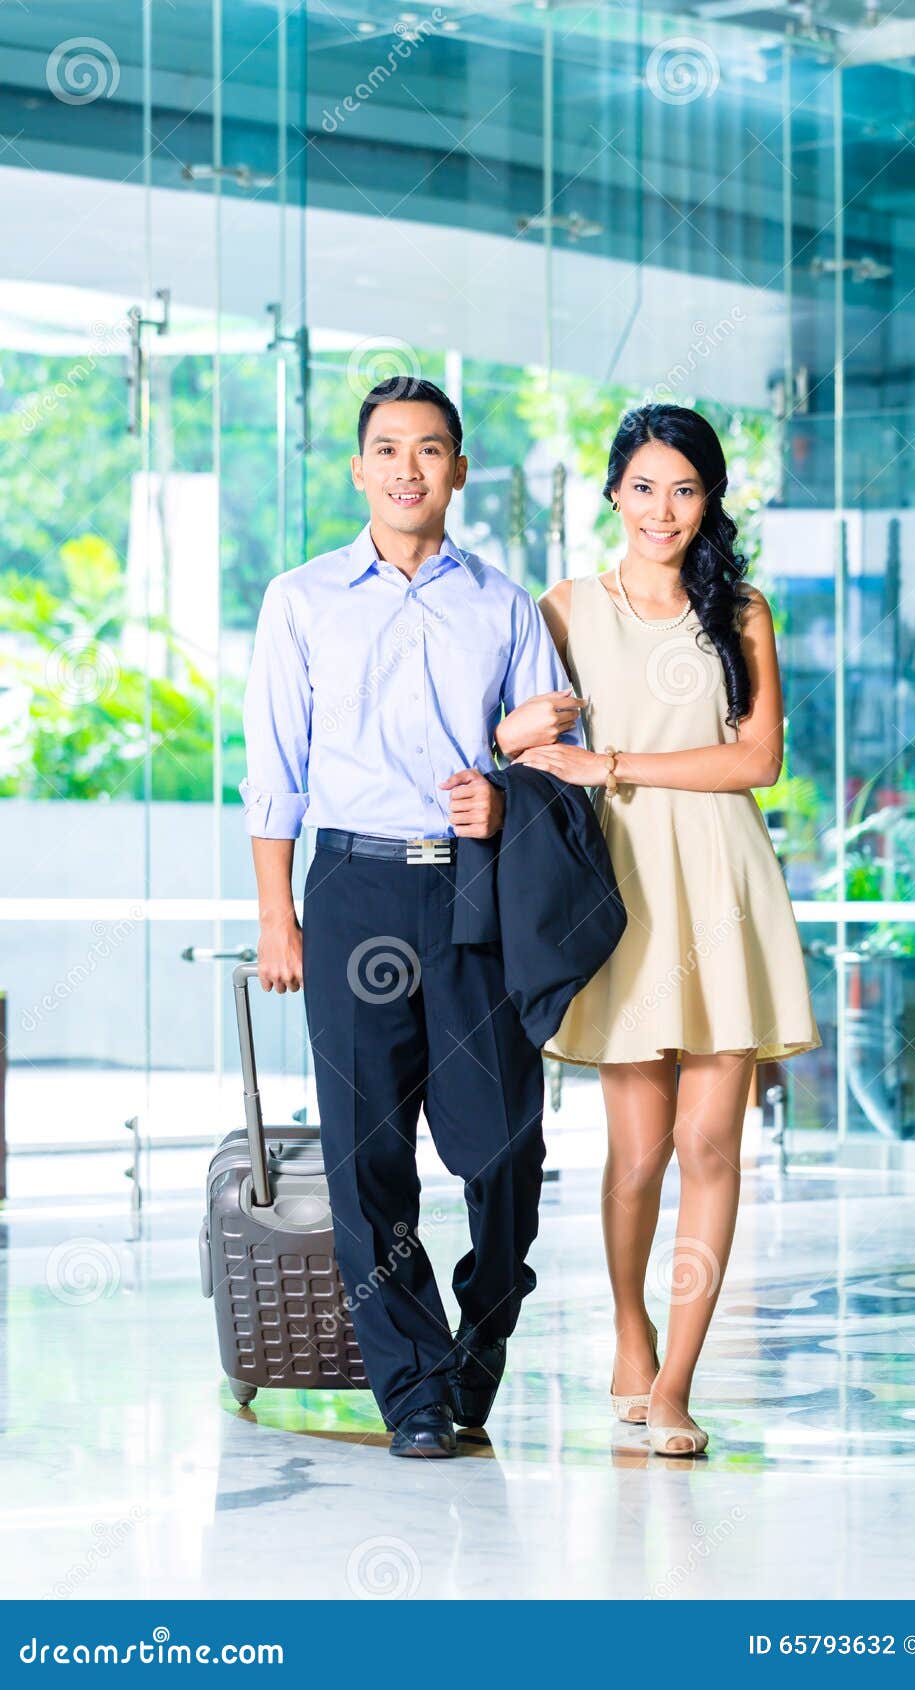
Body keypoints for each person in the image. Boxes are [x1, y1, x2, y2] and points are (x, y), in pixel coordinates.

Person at [239, 377, 583, 1458]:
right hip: (353, 889)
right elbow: (273, 770)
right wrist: (276, 918)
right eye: (385, 449)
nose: (405, 468)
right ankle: (414, 1391)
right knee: (366, 1152)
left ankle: (475, 1344)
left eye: (428, 449)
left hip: (472, 890)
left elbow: (560, 764)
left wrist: (500, 779)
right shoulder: (300, 600)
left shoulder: (502, 604)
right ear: (356, 468)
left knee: (504, 1151)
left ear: (458, 470)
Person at [495, 403, 820, 1457]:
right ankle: (629, 1328)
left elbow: (755, 760)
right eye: (642, 487)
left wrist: (614, 764)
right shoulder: (563, 609)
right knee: (635, 1153)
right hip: (620, 886)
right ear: (612, 494)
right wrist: (525, 737)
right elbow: (507, 730)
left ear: (709, 499)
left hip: (720, 880)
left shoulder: (743, 612)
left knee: (708, 1142)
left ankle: (677, 1380)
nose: (662, 509)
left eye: (683, 488)